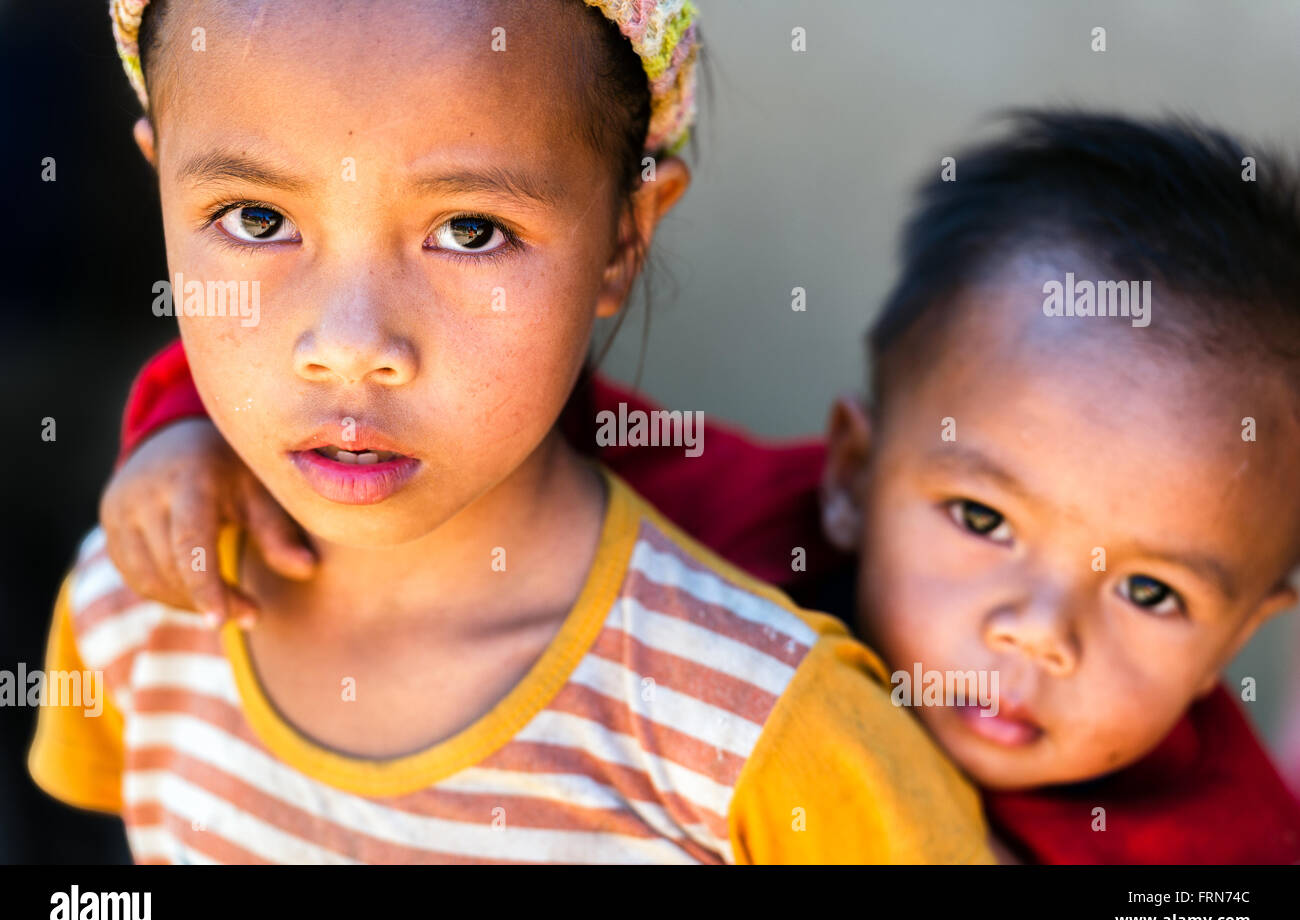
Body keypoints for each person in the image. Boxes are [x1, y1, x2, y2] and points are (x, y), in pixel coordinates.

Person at [100, 111, 1300, 864]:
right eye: (982, 519)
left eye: (1149, 592)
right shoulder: (727, 526)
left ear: (1245, 631)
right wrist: (185, 429)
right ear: (850, 476)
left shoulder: (1209, 838)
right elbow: (458, 425)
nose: (1037, 633)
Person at [26, 0, 994, 865]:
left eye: (471, 231)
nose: (353, 347)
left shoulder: (760, 730)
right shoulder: (132, 606)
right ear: (161, 192)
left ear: (624, 237)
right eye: (254, 215)